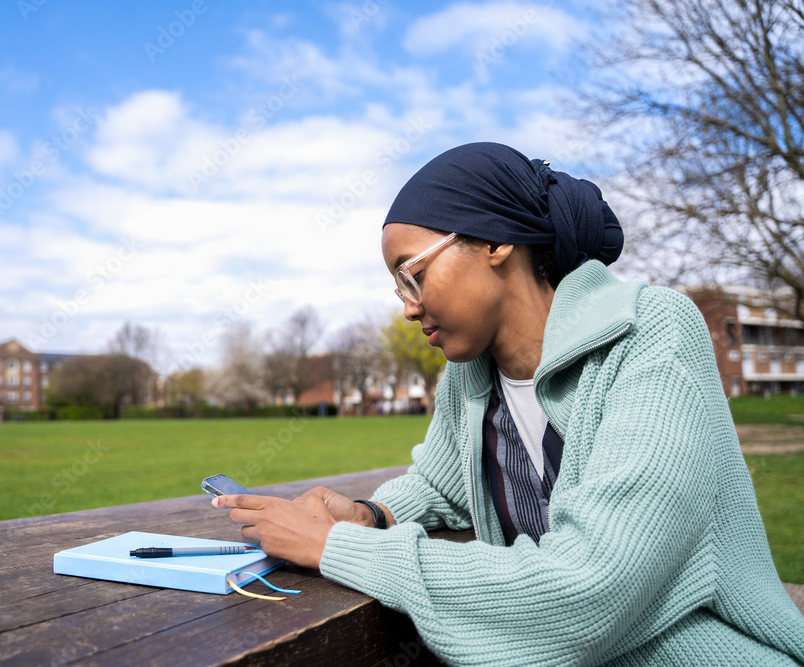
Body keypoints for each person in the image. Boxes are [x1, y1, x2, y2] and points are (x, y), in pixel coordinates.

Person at [213, 142, 804, 665]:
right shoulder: (471, 377)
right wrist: (369, 514)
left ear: (496, 240)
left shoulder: (650, 334)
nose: (408, 308)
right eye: (398, 289)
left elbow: (593, 588)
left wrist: (340, 547)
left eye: (412, 275)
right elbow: (446, 485)